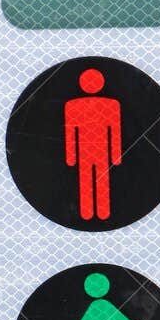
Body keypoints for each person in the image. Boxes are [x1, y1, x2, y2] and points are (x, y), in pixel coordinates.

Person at [63, 68, 122, 222]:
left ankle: (88, 213)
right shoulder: (111, 105)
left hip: (86, 151)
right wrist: (116, 156)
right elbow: (114, 132)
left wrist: (71, 157)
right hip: (99, 151)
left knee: (86, 181)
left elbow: (71, 134)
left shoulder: (72, 105)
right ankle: (102, 213)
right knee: (101, 179)